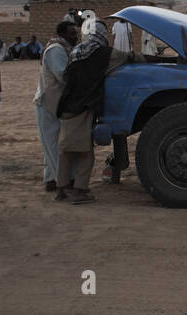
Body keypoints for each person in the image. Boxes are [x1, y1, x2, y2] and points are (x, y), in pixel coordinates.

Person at [54, 22, 139, 203]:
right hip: (82, 108)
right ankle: (79, 190)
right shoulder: (104, 54)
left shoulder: (76, 51)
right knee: (85, 152)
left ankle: (61, 190)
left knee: (65, 150)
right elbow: (130, 57)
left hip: (66, 105)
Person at [34, 21, 79, 192]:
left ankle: (51, 180)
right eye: (72, 34)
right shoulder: (56, 50)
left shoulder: (63, 48)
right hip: (48, 103)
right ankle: (63, 182)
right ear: (62, 35)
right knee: (53, 145)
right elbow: (63, 76)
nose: (76, 37)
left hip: (55, 102)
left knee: (51, 143)